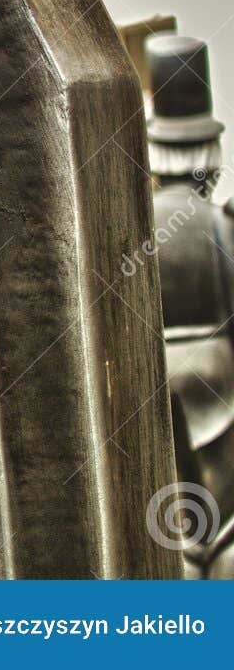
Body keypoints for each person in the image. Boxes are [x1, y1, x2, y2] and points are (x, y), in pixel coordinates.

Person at [145, 34, 234, 577]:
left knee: (174, 528)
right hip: (220, 379)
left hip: (153, 381)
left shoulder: (134, 228)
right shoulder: (223, 226)